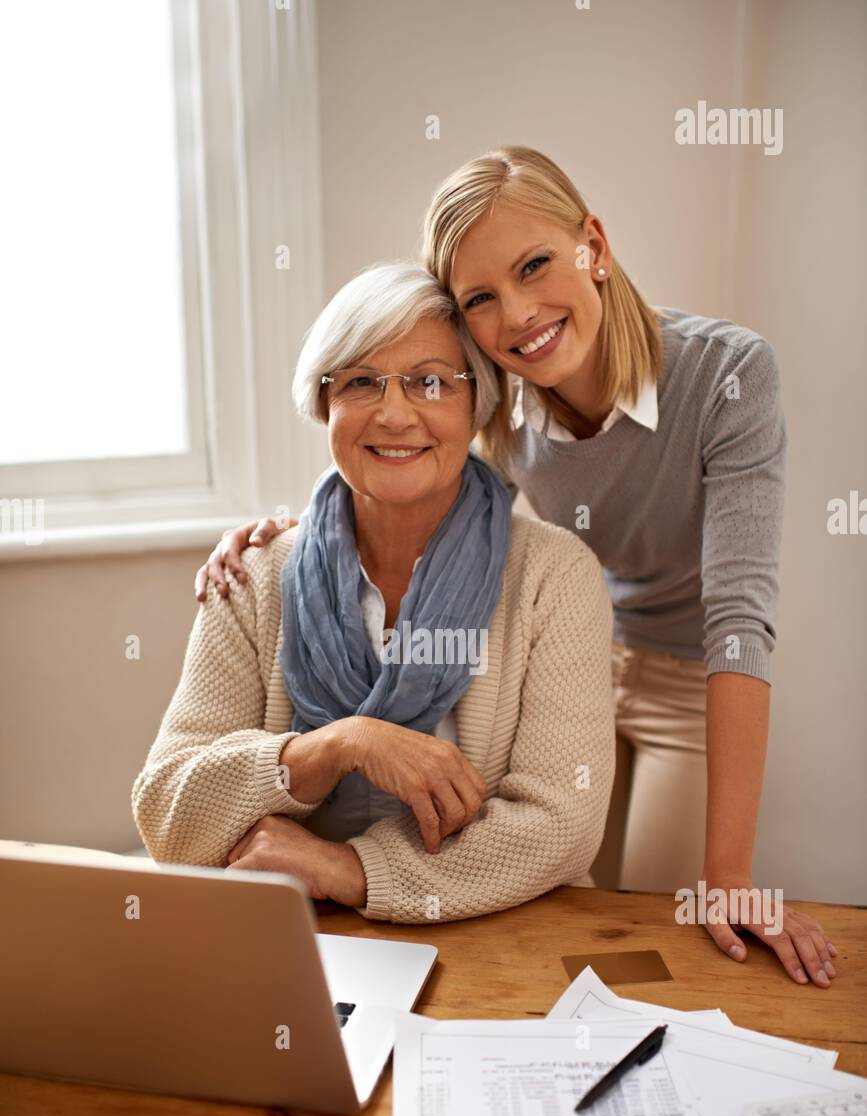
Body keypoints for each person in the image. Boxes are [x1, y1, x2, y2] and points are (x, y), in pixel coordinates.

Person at [196, 147, 837, 988]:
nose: (519, 314)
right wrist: (288, 529)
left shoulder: (728, 375)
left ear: (593, 248)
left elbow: (739, 622)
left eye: (535, 265)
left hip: (690, 672)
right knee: (545, 901)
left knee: (661, 922)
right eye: (481, 300)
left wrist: (729, 875)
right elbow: (401, 451)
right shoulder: (502, 393)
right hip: (569, 662)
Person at [133, 262, 615, 924]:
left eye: (430, 382)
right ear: (323, 402)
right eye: (361, 381)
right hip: (302, 943)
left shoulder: (555, 577)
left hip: (503, 936)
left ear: (475, 404)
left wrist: (350, 869)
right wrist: (338, 745)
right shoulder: (252, 573)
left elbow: (560, 824)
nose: (393, 413)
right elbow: (167, 814)